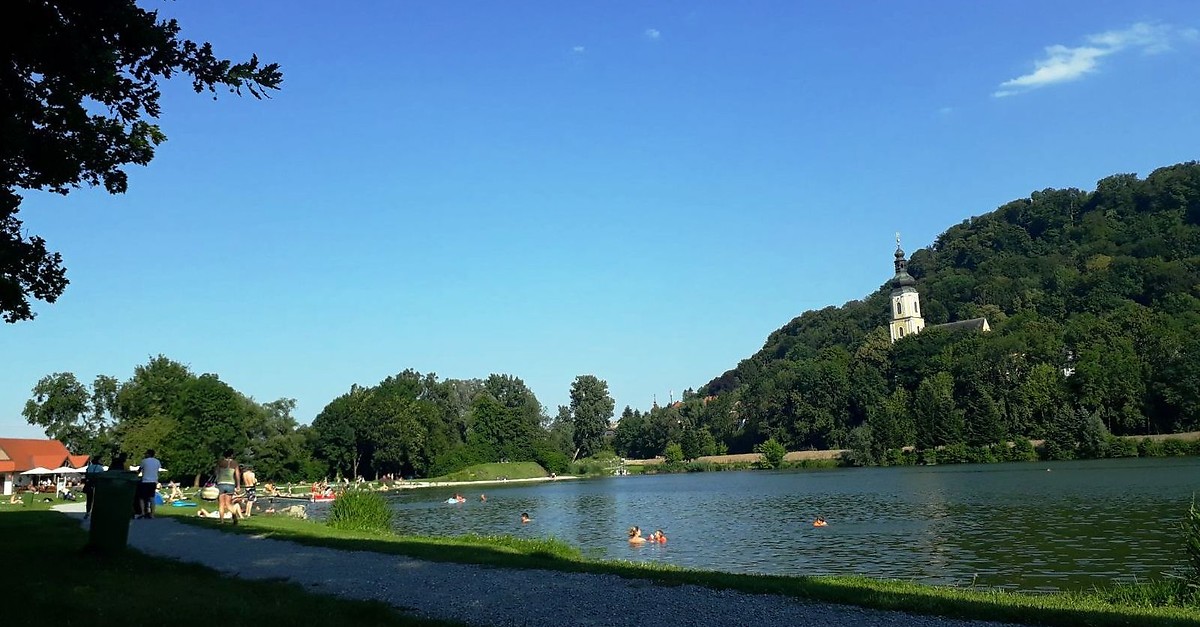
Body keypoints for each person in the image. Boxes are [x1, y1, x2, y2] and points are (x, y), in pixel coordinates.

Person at [215, 449, 241, 525]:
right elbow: (237, 475)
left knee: (221, 504)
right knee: (228, 503)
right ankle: (234, 514)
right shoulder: (235, 463)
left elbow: (216, 472)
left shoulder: (220, 462)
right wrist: (238, 485)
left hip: (221, 483)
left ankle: (222, 521)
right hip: (231, 484)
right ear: (232, 455)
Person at [136, 449, 162, 519]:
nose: (145, 455)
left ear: (148, 454)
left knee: (141, 498)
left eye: (146, 454)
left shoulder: (144, 461)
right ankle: (152, 514)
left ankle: (142, 512)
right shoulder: (157, 461)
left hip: (145, 481)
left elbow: (139, 470)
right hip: (153, 481)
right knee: (152, 498)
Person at [82, 454, 105, 520]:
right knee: (96, 500)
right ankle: (96, 513)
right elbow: (102, 477)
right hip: (97, 485)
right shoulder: (100, 468)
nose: (102, 461)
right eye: (101, 460)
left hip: (89, 485)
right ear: (98, 460)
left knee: (89, 500)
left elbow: (86, 476)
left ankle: (87, 512)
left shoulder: (89, 467)